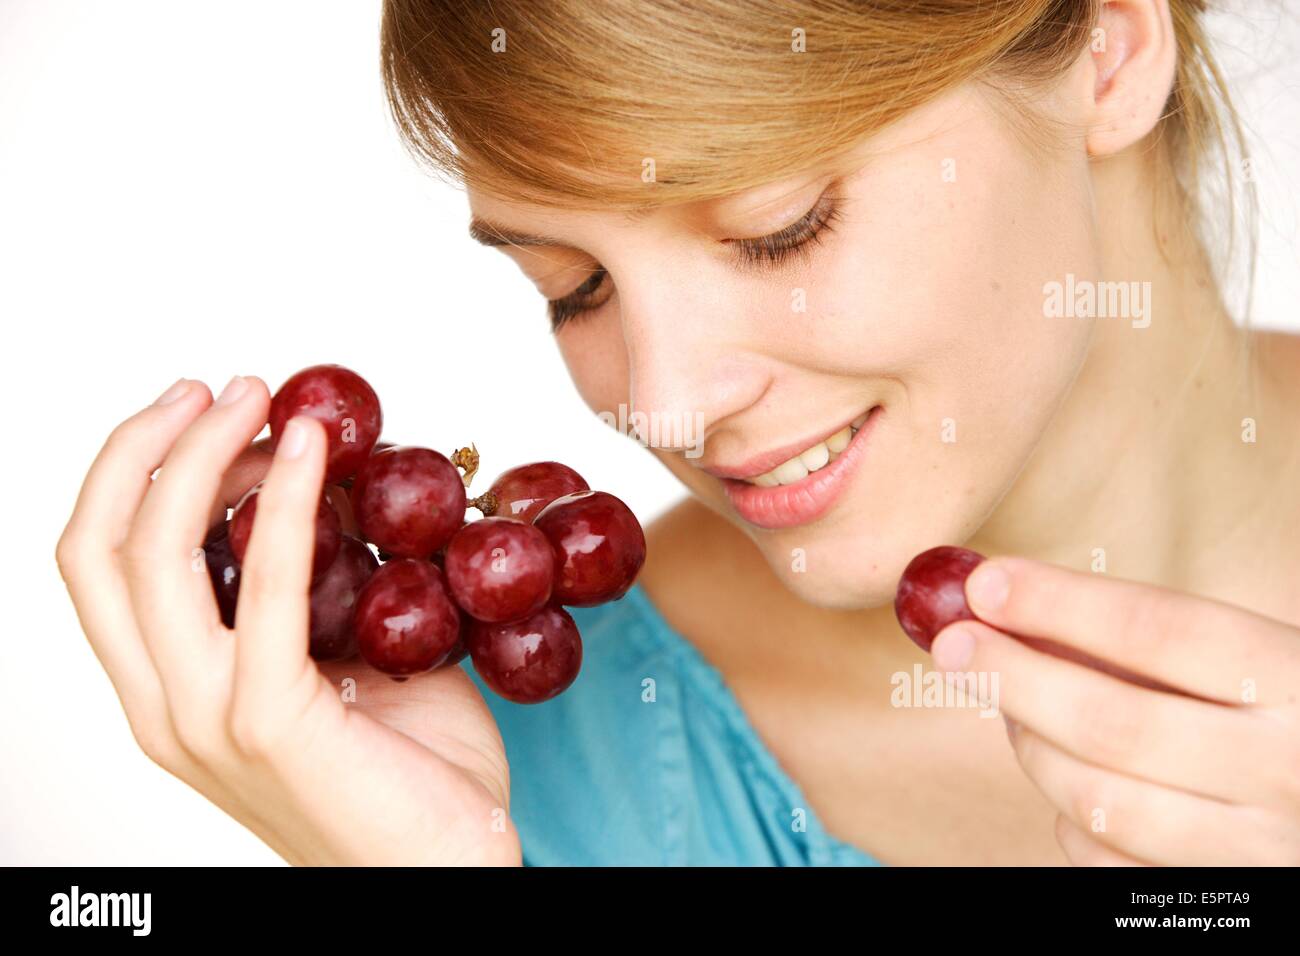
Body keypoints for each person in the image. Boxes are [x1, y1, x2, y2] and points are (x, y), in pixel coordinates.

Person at [56, 0, 1300, 865]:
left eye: (779, 226)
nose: (665, 395)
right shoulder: (539, 745)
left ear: (1107, 55)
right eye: (573, 288)